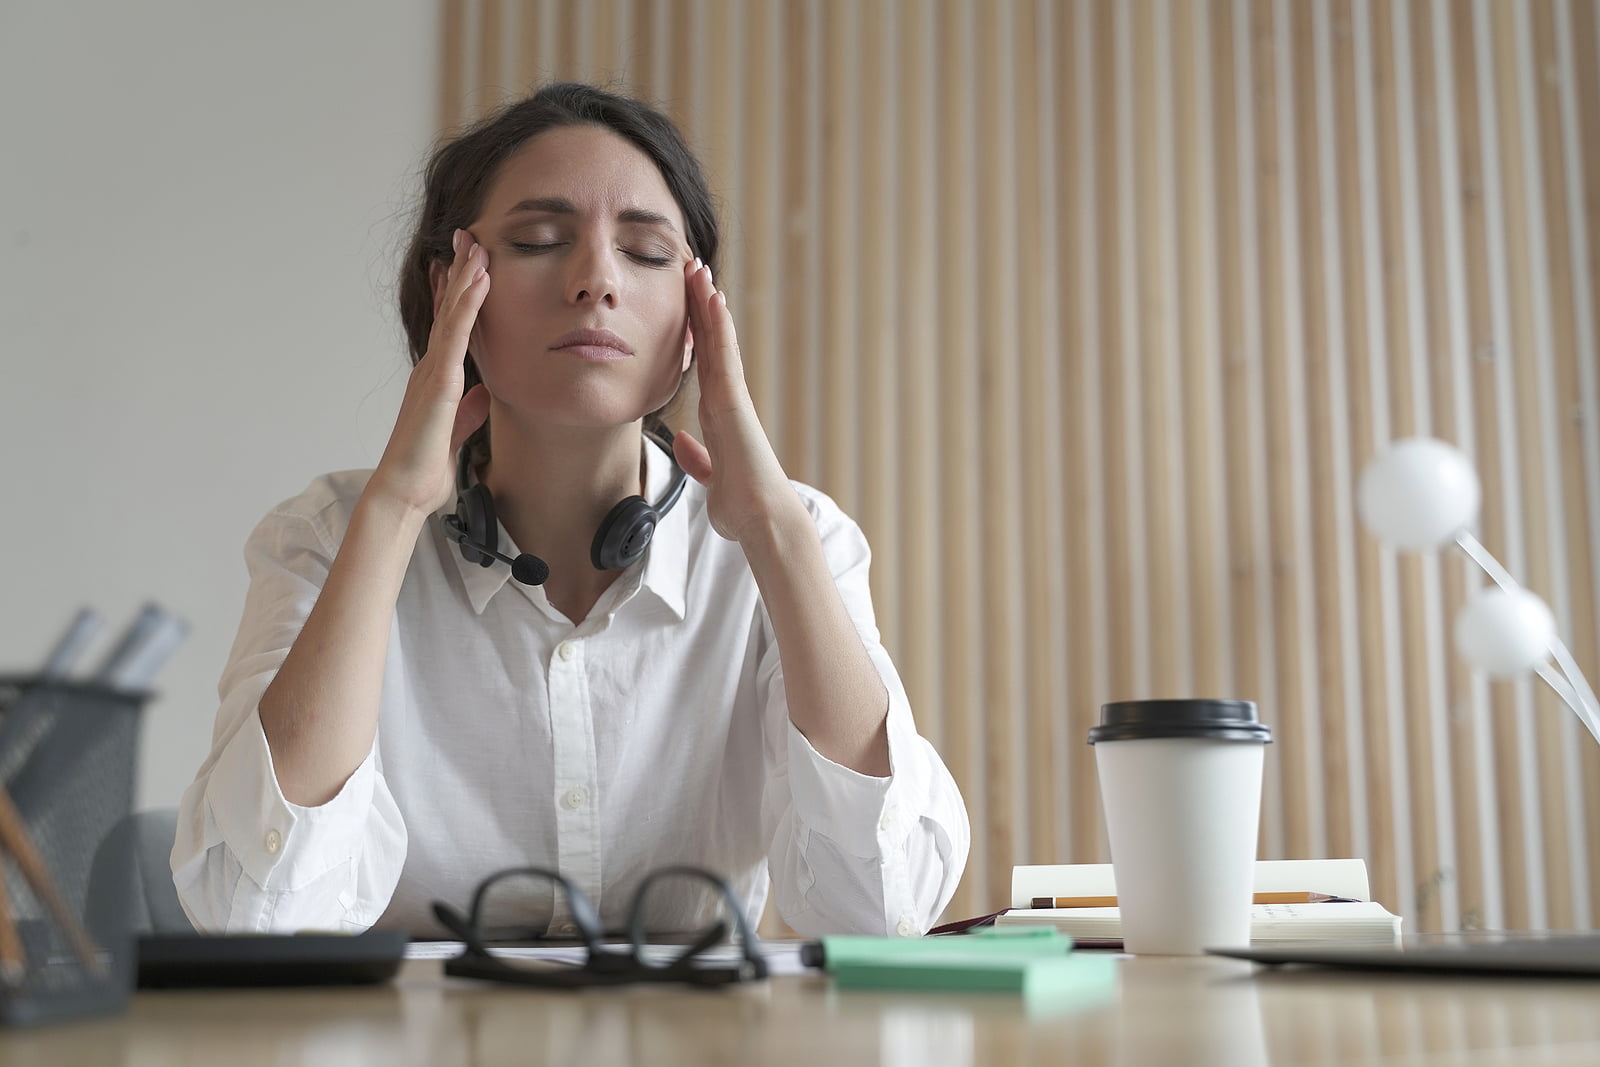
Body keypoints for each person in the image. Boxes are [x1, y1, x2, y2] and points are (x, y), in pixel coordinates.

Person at [172, 82, 969, 939]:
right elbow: (249, 913)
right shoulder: (325, 537)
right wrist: (395, 511)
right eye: (541, 241)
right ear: (452, 292)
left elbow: (883, 909)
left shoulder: (797, 540)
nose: (595, 280)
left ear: (698, 319)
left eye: (649, 254)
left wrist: (776, 535)